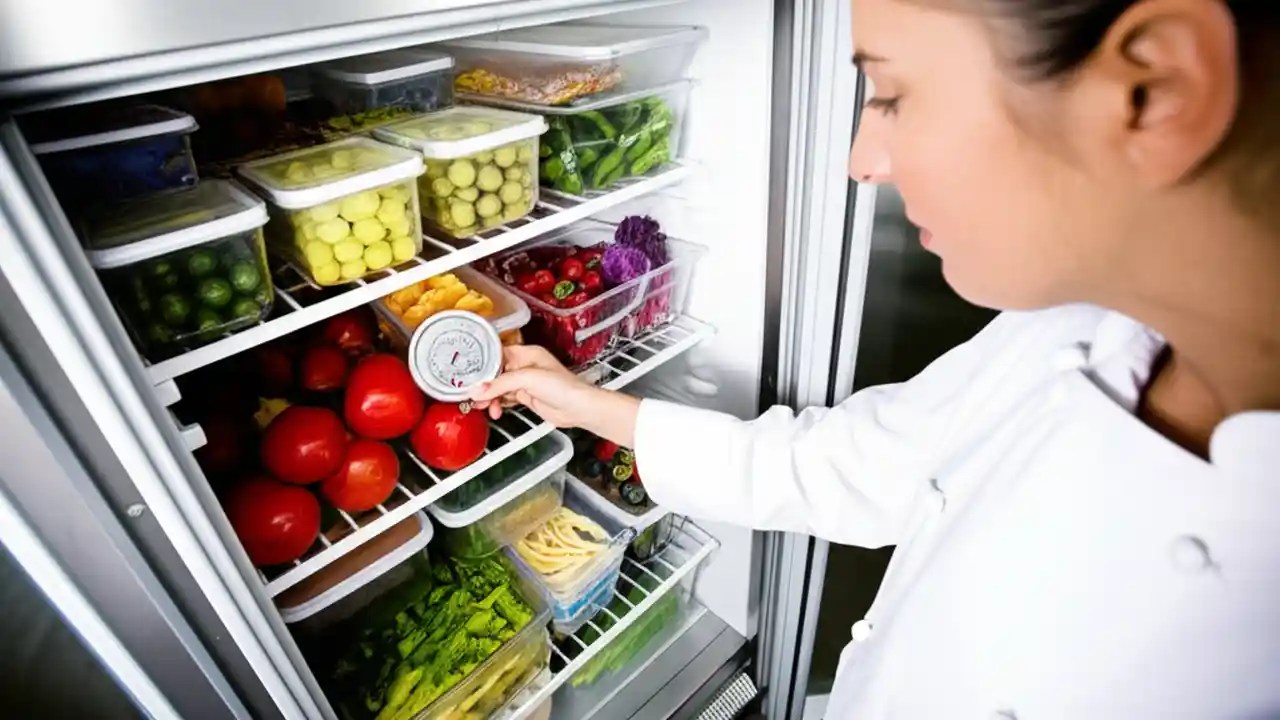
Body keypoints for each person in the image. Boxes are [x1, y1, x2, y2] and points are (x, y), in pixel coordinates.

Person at [473, 0, 1280, 716]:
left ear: (1157, 89)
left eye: (892, 96)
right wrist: (585, 403)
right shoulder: (1069, 329)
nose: (862, 162)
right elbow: (859, 463)